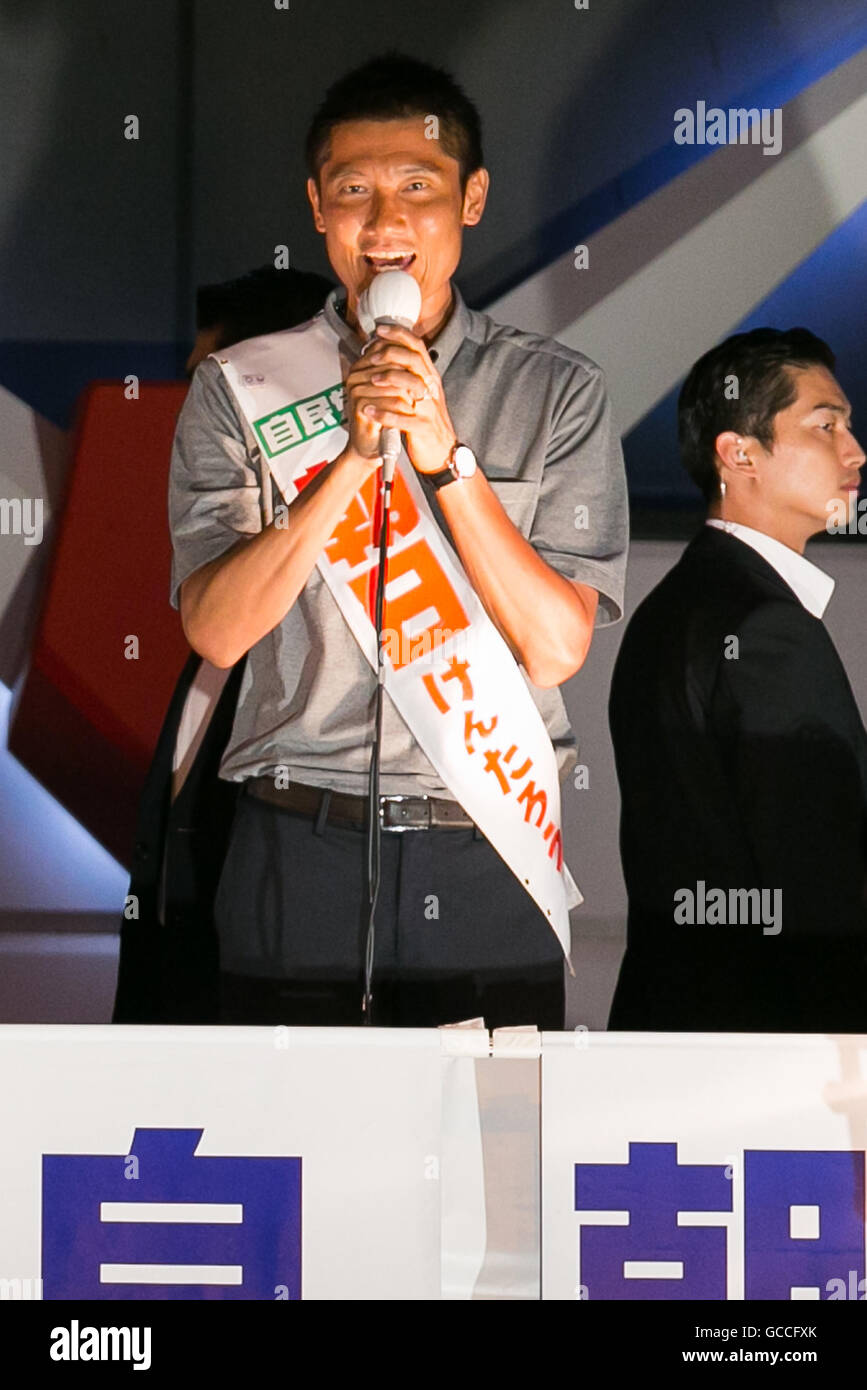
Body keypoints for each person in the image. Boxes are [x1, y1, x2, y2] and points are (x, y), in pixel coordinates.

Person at [169, 53, 628, 1030]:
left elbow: (556, 647)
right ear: (316, 207)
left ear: (472, 198)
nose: (383, 223)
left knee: (491, 1128)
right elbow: (215, 630)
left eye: (417, 187)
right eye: (353, 192)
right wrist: (349, 459)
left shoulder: (558, 390)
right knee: (292, 1123)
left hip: (486, 840)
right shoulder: (242, 387)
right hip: (295, 839)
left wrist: (447, 460)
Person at [607, 327, 867, 1032]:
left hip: (683, 1029)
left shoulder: (676, 606)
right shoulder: (764, 627)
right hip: (768, 1046)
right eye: (826, 426)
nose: (854, 452)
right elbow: (818, 887)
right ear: (739, 453)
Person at [113, 267, 331, 1024]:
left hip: (266, 1000)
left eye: (212, 392)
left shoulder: (329, 652)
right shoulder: (216, 609)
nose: (194, 426)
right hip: (173, 1025)